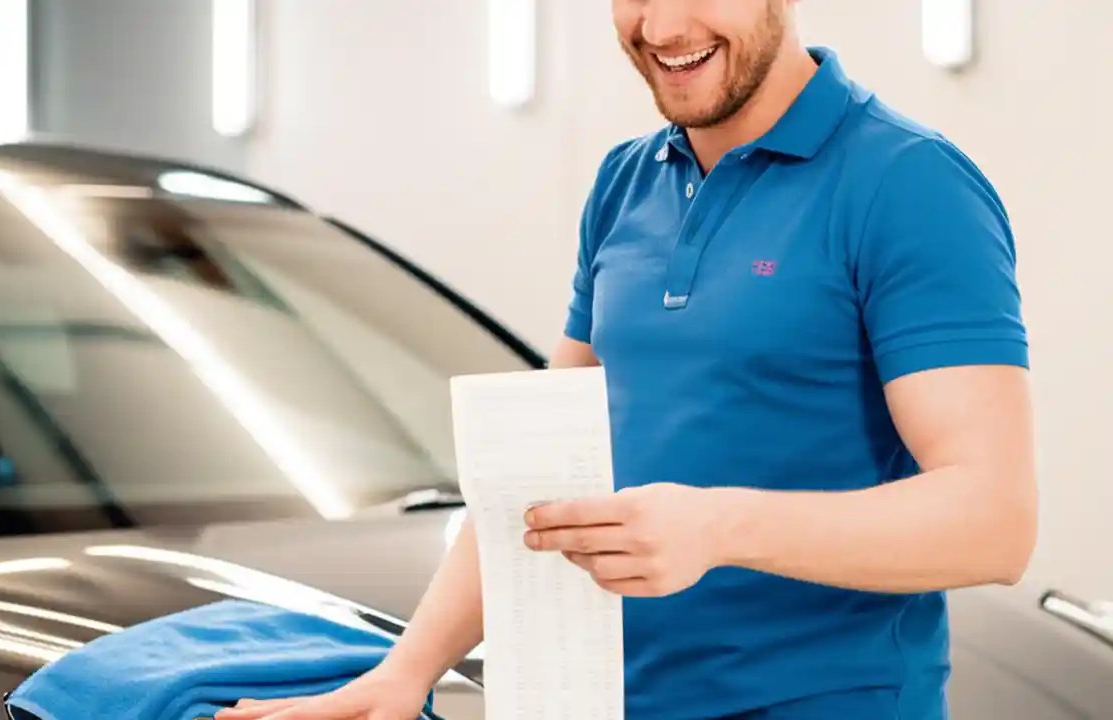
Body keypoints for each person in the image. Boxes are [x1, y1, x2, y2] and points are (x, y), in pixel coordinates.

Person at [217, 0, 1036, 718]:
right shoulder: (623, 181)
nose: (664, 26)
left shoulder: (910, 183)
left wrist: (717, 528)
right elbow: (533, 475)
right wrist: (406, 673)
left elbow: (993, 523)